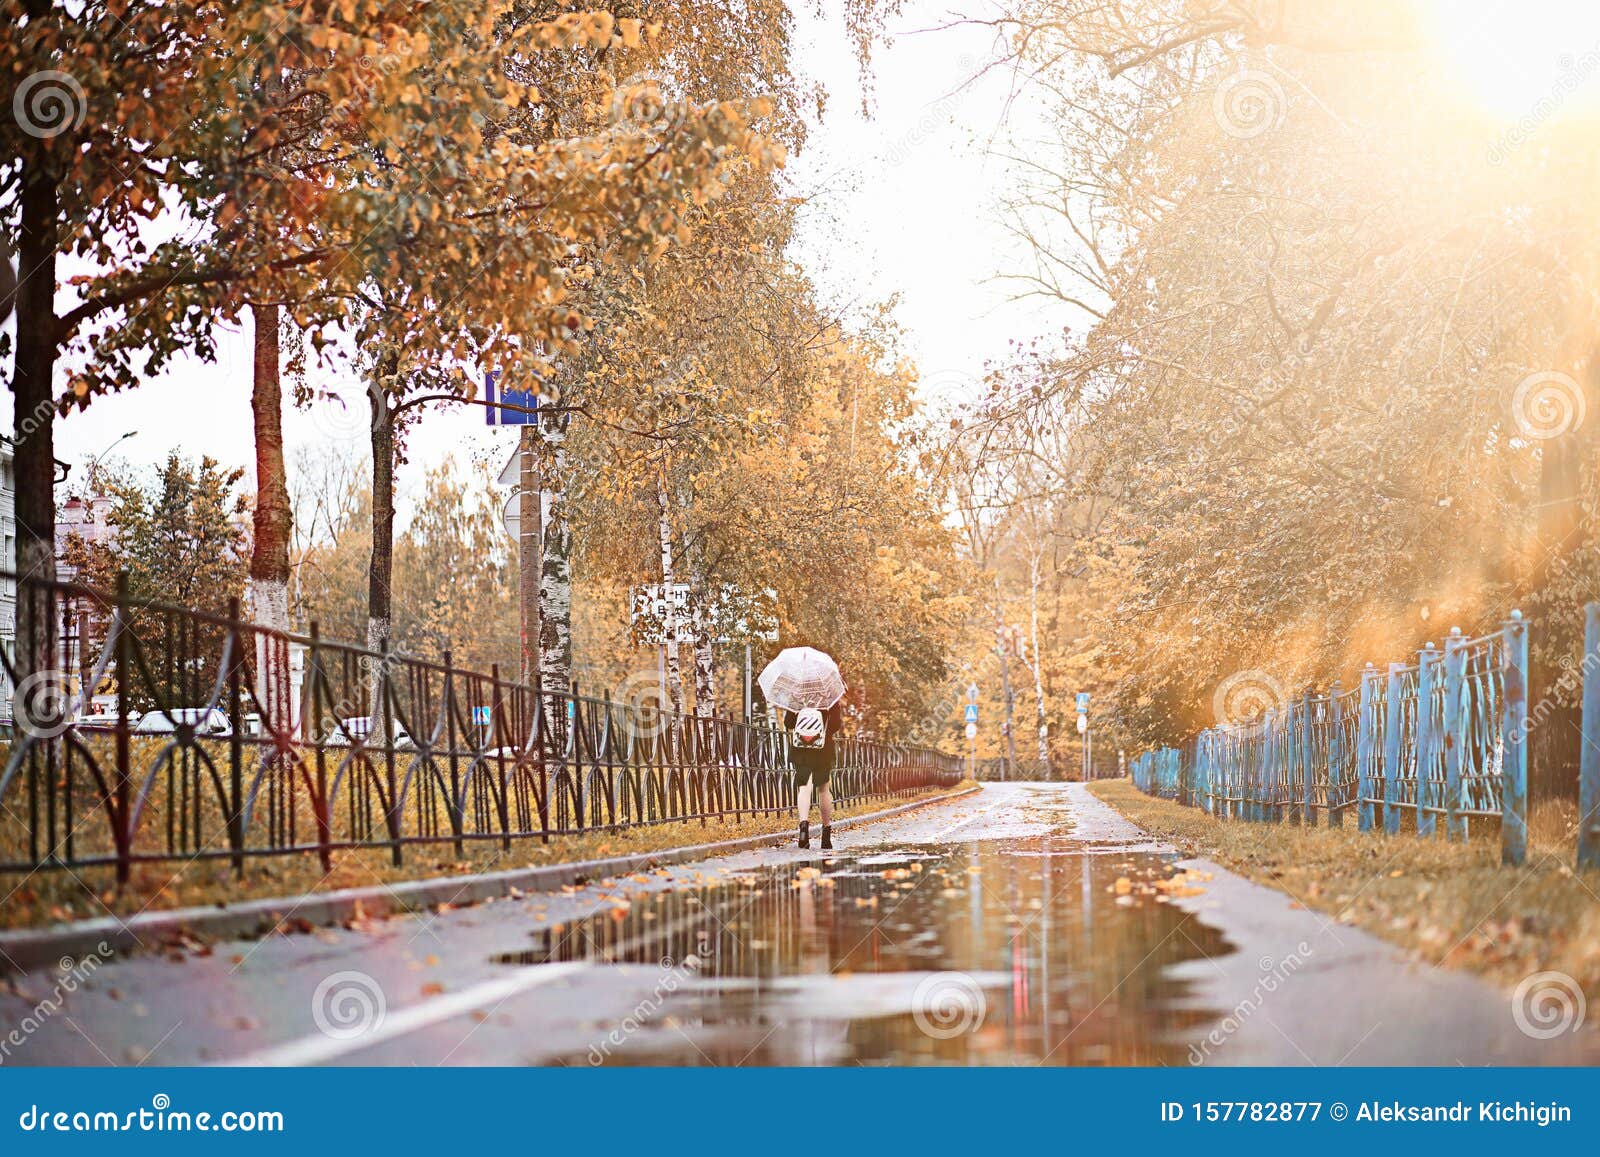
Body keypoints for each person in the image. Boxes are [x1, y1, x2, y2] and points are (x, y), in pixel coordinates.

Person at [780, 700, 843, 849]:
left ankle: (803, 829)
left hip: (801, 749)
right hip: (823, 748)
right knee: (824, 789)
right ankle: (826, 834)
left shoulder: (798, 694)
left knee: (804, 787)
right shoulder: (829, 696)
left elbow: (788, 723)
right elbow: (835, 725)